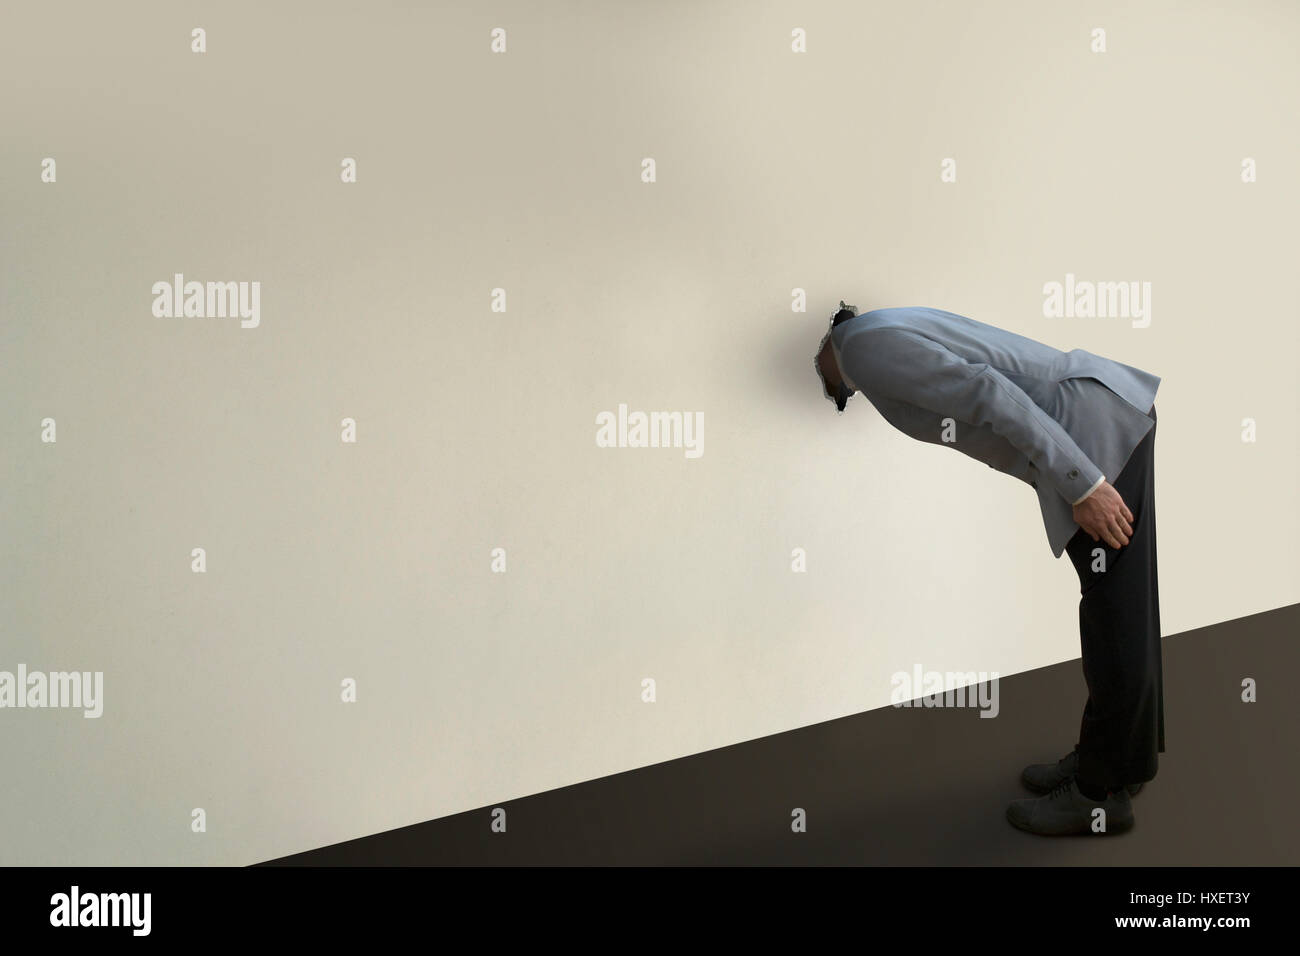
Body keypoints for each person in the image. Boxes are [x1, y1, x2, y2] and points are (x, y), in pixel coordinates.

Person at [815, 303, 1163, 835]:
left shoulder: (861, 348)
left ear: (824, 351)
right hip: (1096, 417)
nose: (837, 392)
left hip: (1087, 439)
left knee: (1113, 618)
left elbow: (986, 392)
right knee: (1123, 608)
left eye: (829, 387)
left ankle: (1101, 793)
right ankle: (1116, 762)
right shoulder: (879, 330)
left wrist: (1082, 483)